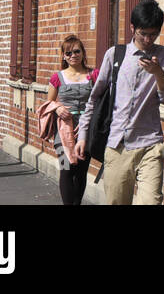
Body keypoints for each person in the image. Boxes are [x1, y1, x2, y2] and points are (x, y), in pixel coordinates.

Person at [76, 0, 164, 205]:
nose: (148, 39)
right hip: (117, 146)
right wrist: (82, 136)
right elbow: (94, 97)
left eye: (153, 33)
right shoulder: (115, 55)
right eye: (143, 33)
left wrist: (158, 73)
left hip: (150, 144)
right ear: (132, 28)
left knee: (151, 201)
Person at [44, 34, 98, 205]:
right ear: (63, 56)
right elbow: (48, 103)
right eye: (68, 53)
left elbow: (101, 101)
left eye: (76, 51)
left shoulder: (93, 75)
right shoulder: (57, 78)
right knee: (66, 169)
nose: (73, 55)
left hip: (86, 127)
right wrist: (58, 108)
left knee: (81, 171)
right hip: (63, 130)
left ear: (82, 53)